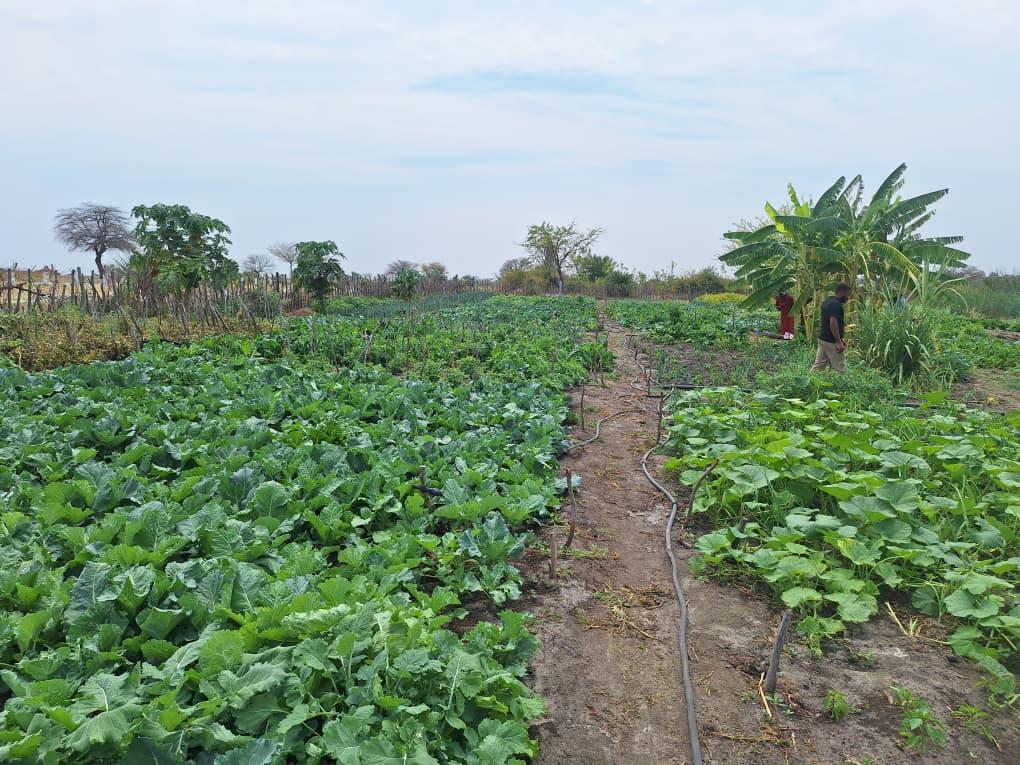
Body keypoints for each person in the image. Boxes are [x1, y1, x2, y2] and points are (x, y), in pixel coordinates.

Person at [811, 283, 850, 372]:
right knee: (840, 369)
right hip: (831, 341)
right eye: (847, 295)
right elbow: (833, 323)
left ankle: (808, 383)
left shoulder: (827, 302)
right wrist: (838, 341)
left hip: (823, 339)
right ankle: (843, 385)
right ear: (842, 292)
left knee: (818, 367)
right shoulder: (836, 304)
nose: (848, 298)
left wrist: (840, 337)